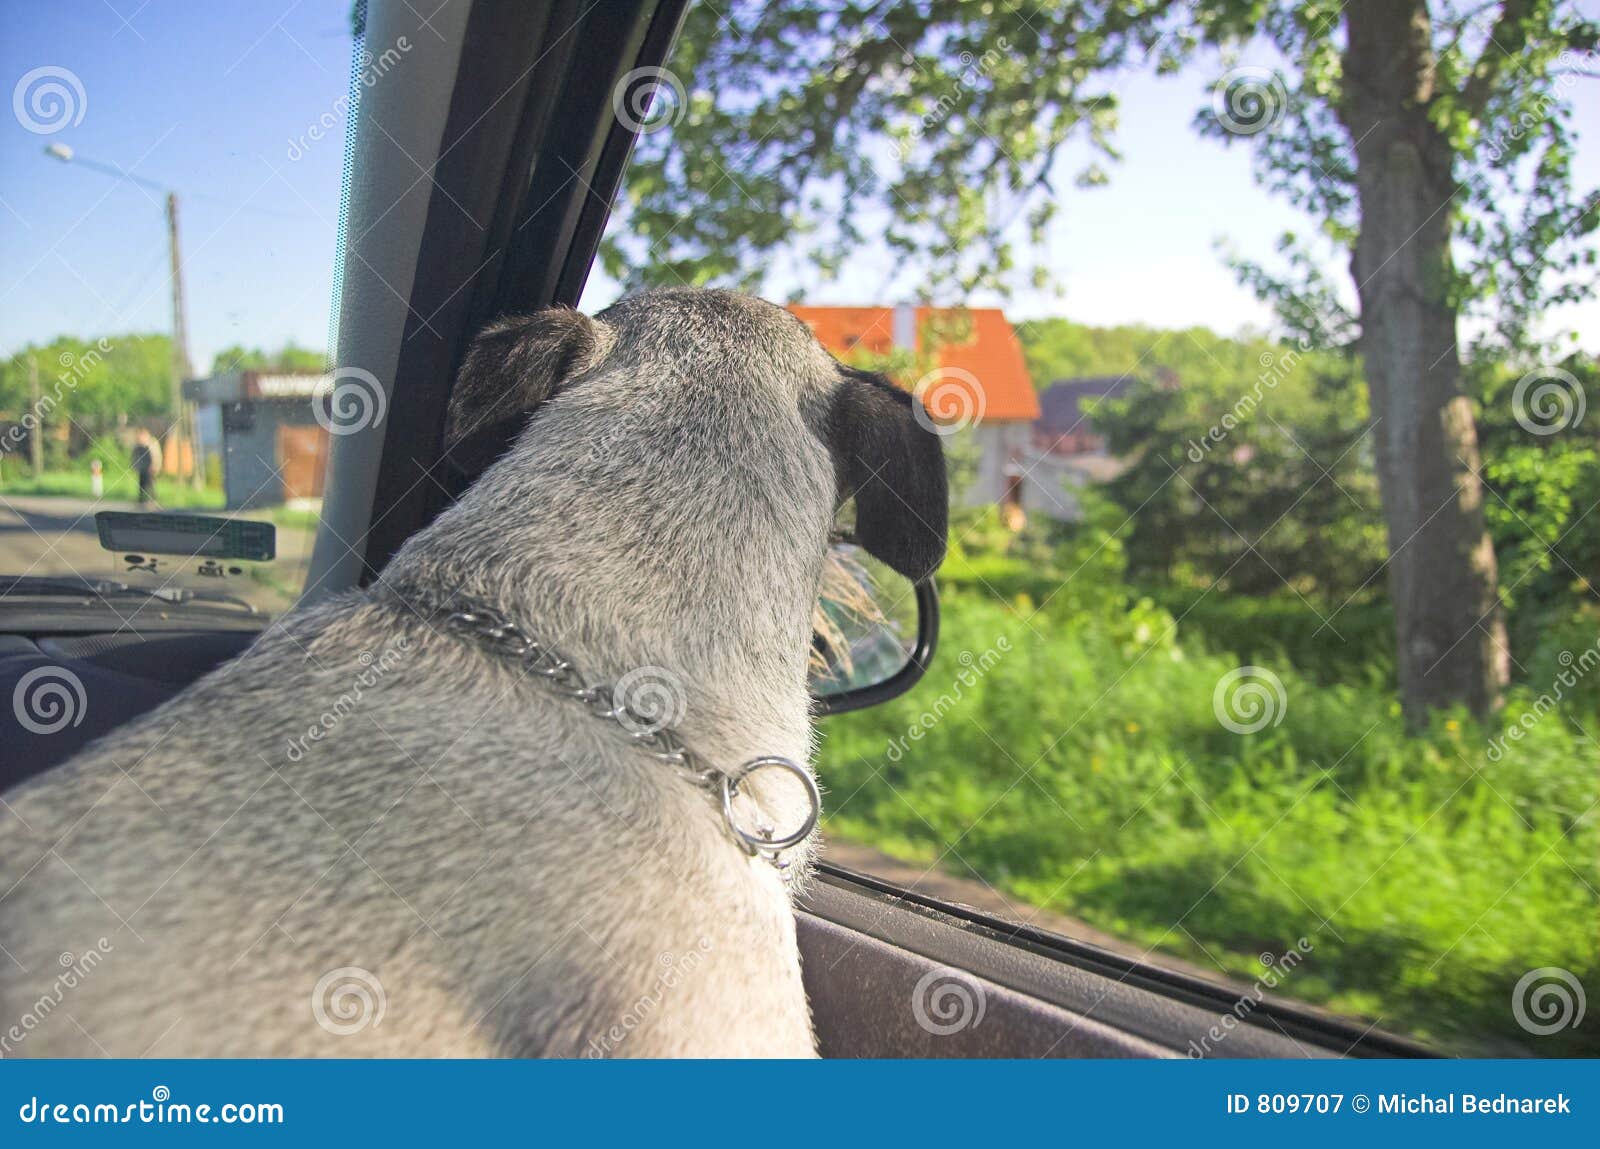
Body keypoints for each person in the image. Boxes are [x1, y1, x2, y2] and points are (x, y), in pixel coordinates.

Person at [131, 428, 162, 507]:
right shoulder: (139, 444)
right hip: (142, 467)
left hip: (150, 466)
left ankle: (153, 500)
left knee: (150, 484)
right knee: (141, 483)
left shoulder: (152, 442)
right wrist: (135, 465)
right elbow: (135, 455)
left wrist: (155, 465)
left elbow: (156, 455)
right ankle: (141, 500)